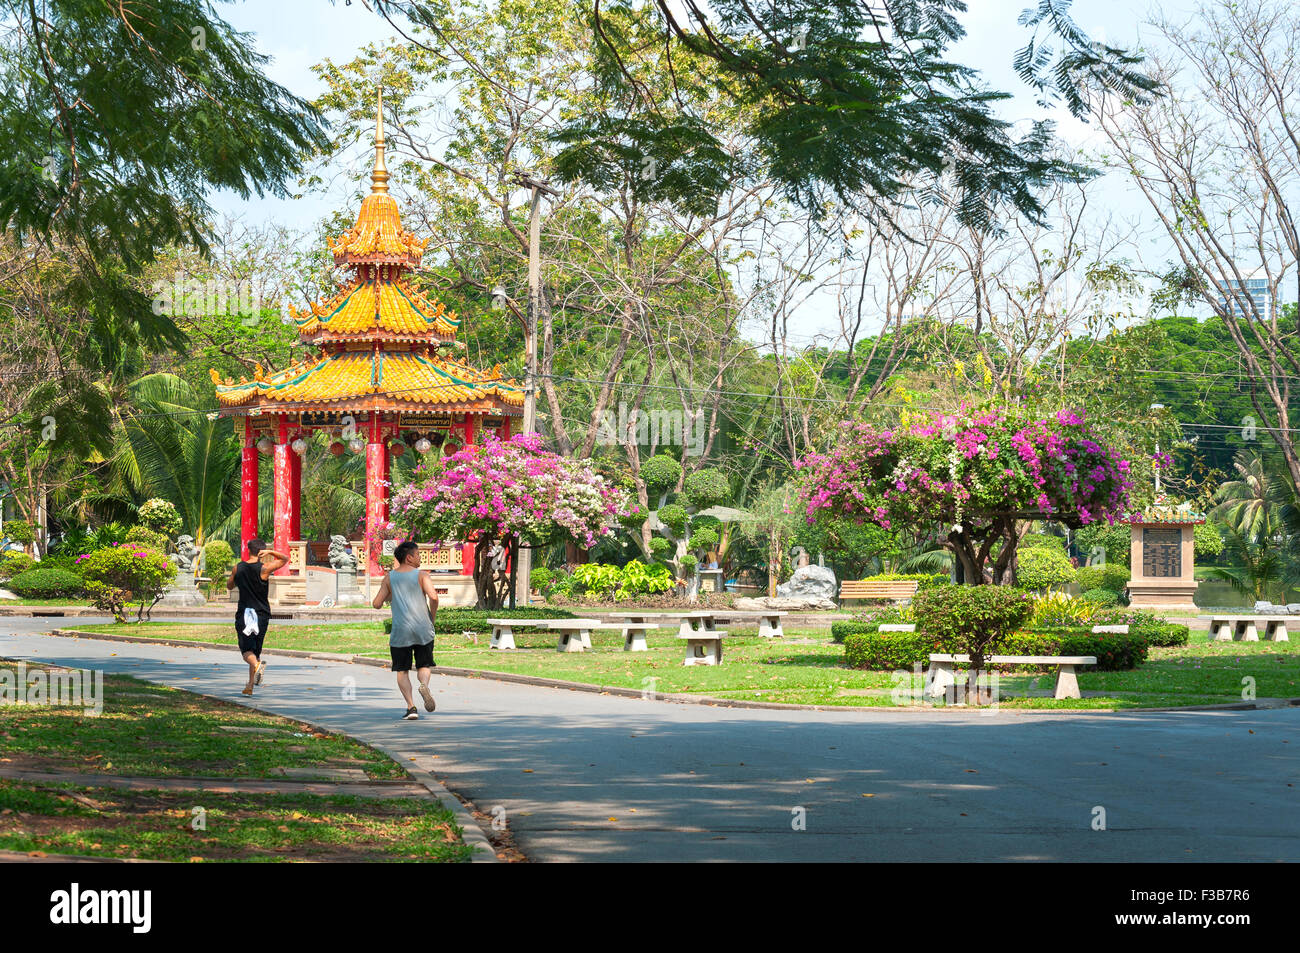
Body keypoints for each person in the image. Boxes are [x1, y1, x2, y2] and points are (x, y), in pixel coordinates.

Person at [372, 540, 439, 719]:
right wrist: (431, 617)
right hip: (423, 628)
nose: (420, 558)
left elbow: (376, 604)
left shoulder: (389, 578)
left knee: (402, 670)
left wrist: (392, 595)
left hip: (401, 631)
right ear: (409, 557)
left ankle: (411, 708)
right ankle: (424, 684)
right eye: (418, 555)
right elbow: (433, 596)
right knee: (424, 664)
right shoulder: (422, 575)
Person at [226, 539, 289, 695]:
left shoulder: (237, 568)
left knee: (246, 650)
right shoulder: (265, 569)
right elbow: (285, 559)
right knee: (255, 652)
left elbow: (229, 586)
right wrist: (271, 552)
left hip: (244, 614)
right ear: (261, 552)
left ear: (248, 550)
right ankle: (250, 686)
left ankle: (256, 669)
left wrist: (236, 577)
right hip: (261, 614)